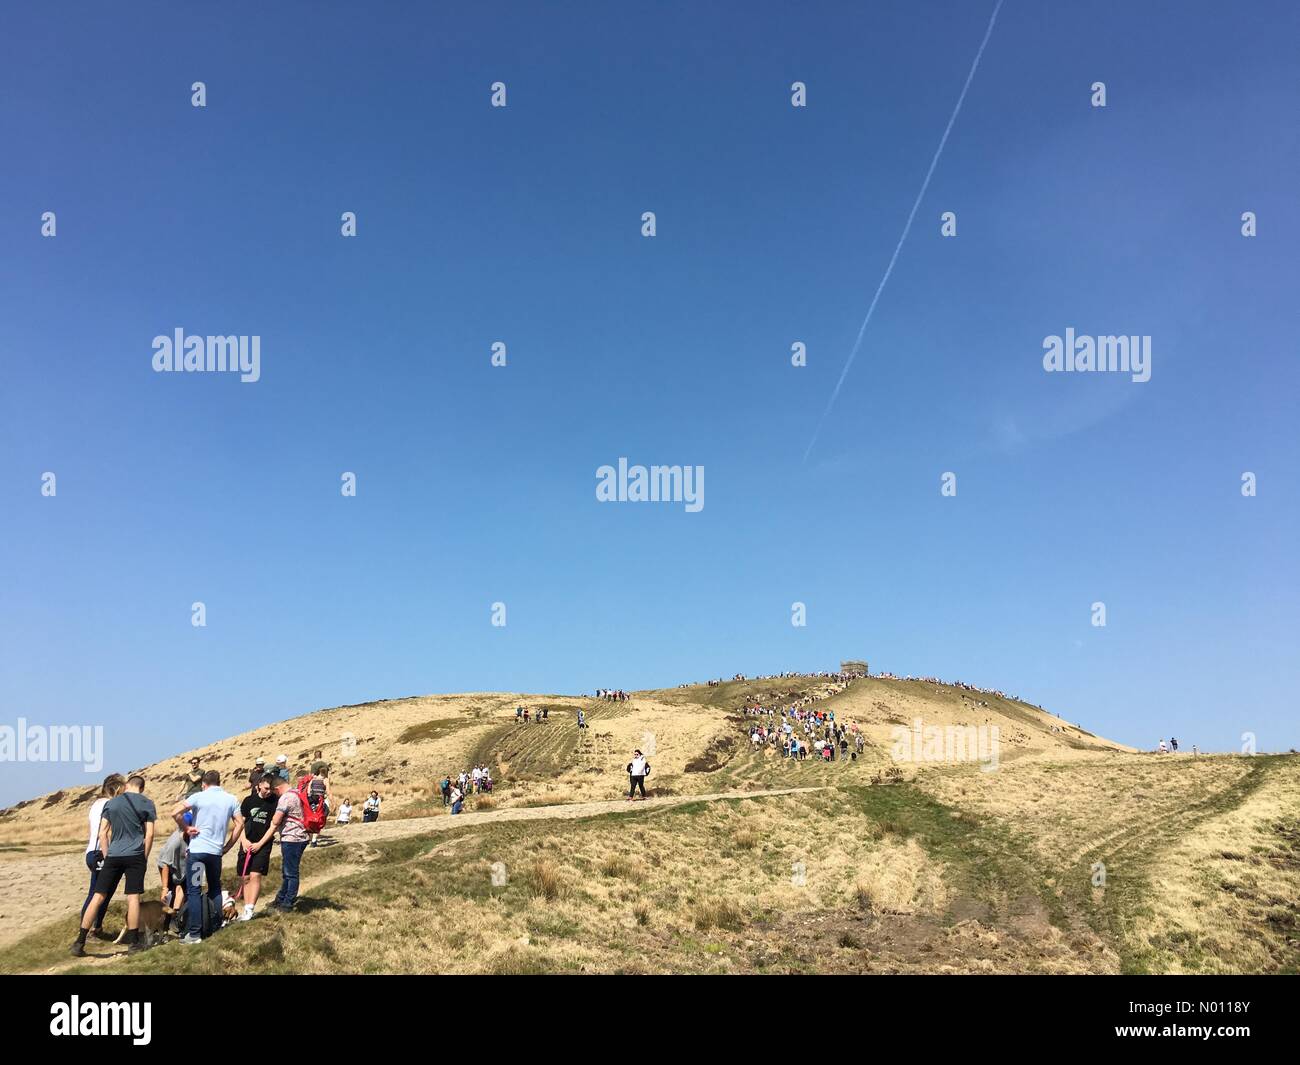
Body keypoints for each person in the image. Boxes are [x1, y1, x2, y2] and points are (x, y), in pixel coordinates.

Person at [71, 774, 156, 956]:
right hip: (135, 856)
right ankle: (133, 943)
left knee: (98, 896)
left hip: (114, 855)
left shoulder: (112, 803)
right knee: (133, 898)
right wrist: (144, 856)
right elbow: (149, 835)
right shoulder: (147, 803)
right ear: (142, 788)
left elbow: (103, 833)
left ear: (127, 785)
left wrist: (108, 855)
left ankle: (80, 941)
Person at [173, 770, 243, 944]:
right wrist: (228, 845)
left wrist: (186, 828)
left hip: (197, 853)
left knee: (194, 891)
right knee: (214, 888)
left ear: (204, 784)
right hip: (215, 854)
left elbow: (175, 812)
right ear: (219, 782)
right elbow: (240, 823)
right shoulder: (231, 799)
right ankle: (216, 926)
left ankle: (195, 933)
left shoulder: (199, 796)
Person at [246, 771, 310, 912]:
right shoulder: (297, 793)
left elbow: (275, 820)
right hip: (301, 837)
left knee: (290, 872)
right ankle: (281, 898)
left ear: (277, 788)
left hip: (292, 838)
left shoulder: (285, 798)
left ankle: (287, 903)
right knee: (288, 871)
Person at [80, 773, 126, 941]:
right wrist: (109, 857)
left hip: (92, 852)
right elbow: (104, 833)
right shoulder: (109, 804)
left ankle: (95, 928)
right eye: (123, 788)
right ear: (116, 789)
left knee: (100, 892)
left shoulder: (96, 803)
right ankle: (88, 930)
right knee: (98, 894)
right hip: (100, 853)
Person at [235, 775, 277, 920]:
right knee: (245, 876)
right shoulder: (248, 800)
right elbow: (240, 823)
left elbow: (273, 826)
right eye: (266, 788)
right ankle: (246, 907)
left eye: (271, 789)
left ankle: (250, 909)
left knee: (256, 875)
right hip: (246, 843)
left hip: (263, 844)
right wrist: (244, 840)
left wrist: (260, 844)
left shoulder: (275, 802)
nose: (269, 792)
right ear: (259, 785)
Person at [156, 827, 189, 932]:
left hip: (181, 864)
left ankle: (176, 917)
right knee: (170, 893)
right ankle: (162, 922)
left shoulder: (192, 837)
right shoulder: (175, 842)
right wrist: (164, 887)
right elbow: (166, 864)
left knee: (182, 888)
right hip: (166, 865)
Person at [305, 762, 331, 847]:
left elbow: (308, 791)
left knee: (310, 820)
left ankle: (308, 838)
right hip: (320, 803)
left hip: (311, 802)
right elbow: (328, 792)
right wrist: (333, 802)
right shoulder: (325, 780)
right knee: (319, 820)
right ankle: (314, 840)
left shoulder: (312, 780)